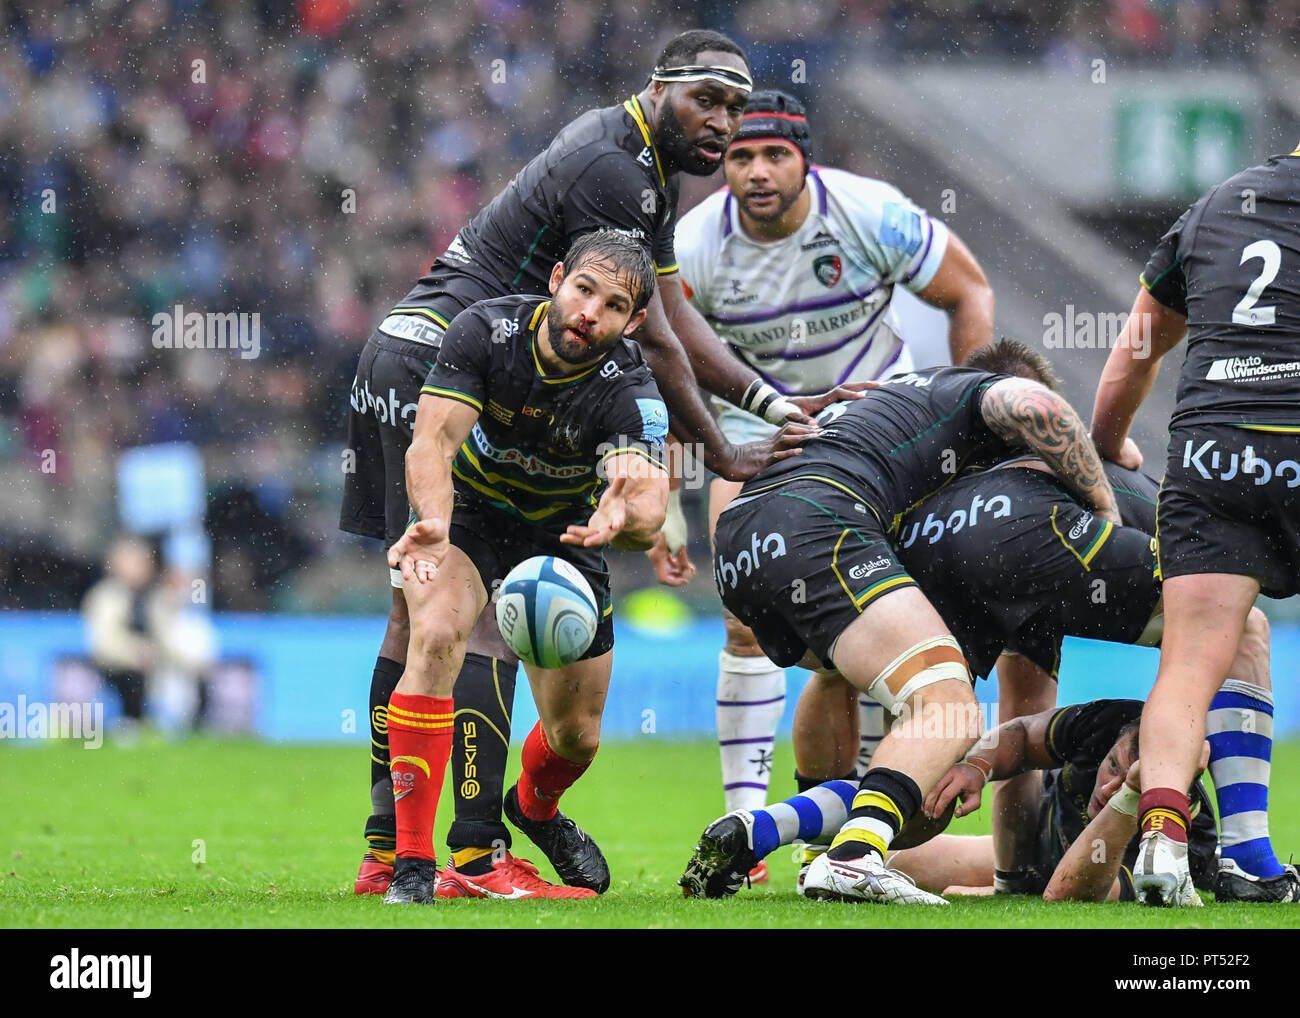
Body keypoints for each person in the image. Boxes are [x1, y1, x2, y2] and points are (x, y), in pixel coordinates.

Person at [340, 30, 843, 899]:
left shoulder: (630, 158)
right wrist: (730, 446)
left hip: (406, 349)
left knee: (413, 623)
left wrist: (753, 417)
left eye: (735, 104)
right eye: (708, 102)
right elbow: (655, 328)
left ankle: (387, 847)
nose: (724, 123)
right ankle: (466, 856)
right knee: (464, 618)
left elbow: (664, 322)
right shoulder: (618, 175)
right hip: (449, 368)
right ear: (659, 89)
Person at [648, 90, 994, 870]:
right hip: (757, 438)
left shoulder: (872, 213)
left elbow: (968, 291)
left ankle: (860, 814)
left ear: (806, 158)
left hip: (885, 436)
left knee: (875, 633)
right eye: (741, 156)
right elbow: (668, 367)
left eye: (775, 155)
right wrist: (668, 501)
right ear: (723, 164)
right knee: (744, 624)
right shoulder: (696, 244)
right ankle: (745, 825)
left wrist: (966, 415)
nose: (758, 172)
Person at [704, 349, 1118, 903]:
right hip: (818, 521)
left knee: (840, 675)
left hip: (742, 541)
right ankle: (852, 858)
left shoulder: (907, 409)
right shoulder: (980, 397)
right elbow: (1037, 407)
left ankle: (804, 846)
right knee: (948, 706)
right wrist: (1103, 509)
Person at [378, 230, 677, 904]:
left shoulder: (630, 387)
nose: (589, 312)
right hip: (473, 515)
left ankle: (535, 809)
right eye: (583, 289)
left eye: (612, 305)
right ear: (557, 278)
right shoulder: (484, 332)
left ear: (631, 322)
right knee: (435, 637)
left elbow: (647, 493)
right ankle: (414, 868)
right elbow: (433, 440)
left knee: (577, 737)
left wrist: (624, 516)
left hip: (571, 534)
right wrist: (432, 519)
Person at [1090, 143, 1300, 905]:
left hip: (1216, 451)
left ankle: (1167, 842)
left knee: (1187, 666)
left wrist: (1107, 447)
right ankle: (1243, 856)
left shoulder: (1215, 206)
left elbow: (1138, 348)